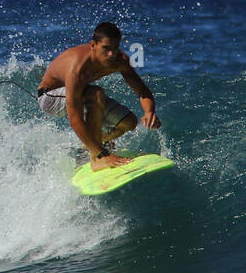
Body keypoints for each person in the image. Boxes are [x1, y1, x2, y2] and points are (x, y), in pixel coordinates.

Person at [37, 22, 161, 171]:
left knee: (128, 122)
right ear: (93, 45)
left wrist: (149, 111)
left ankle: (90, 146)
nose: (111, 54)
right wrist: (101, 154)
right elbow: (75, 118)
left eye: (115, 48)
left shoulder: (120, 61)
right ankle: (96, 156)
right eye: (106, 48)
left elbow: (143, 91)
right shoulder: (77, 68)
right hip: (50, 97)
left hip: (81, 93)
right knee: (95, 94)